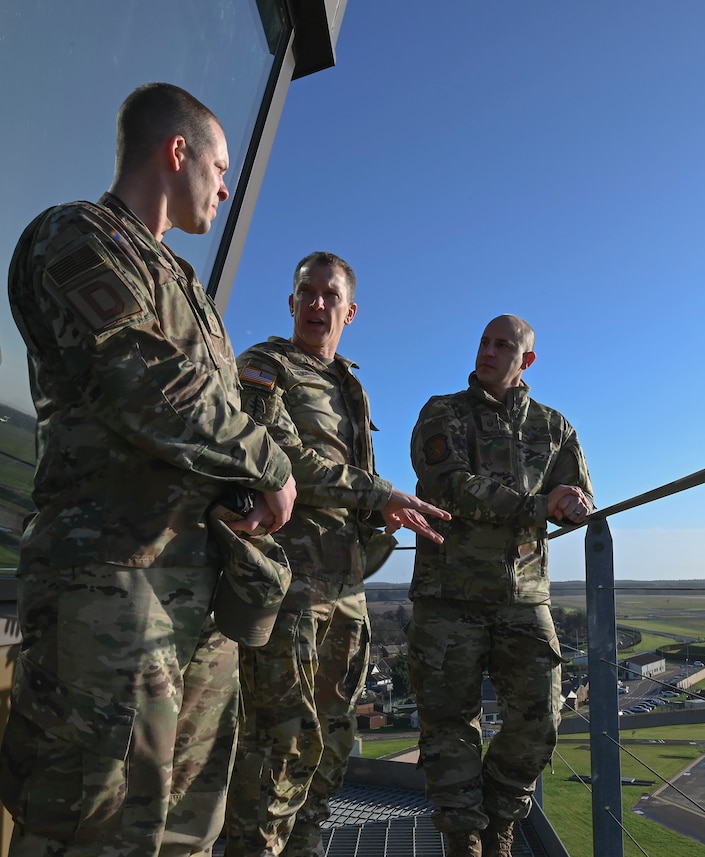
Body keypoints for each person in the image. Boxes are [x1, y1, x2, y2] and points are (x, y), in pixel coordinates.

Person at [0, 82, 297, 857]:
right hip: (110, 595)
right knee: (86, 829)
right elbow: (143, 381)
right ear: (177, 152)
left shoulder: (189, 289)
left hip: (194, 602)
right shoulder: (76, 236)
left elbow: (207, 418)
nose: (226, 187)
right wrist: (267, 462)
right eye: (221, 166)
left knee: (183, 832)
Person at [225, 251, 450, 857]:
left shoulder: (350, 384)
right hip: (288, 584)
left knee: (331, 737)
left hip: (345, 587)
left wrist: (378, 510)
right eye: (307, 293)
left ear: (351, 311)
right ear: (292, 302)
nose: (318, 304)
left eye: (330, 295)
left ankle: (302, 846)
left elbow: (354, 478)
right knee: (280, 738)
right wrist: (380, 495)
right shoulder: (264, 368)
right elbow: (282, 461)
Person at [408, 314, 594, 857]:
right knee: (449, 727)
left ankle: (499, 816)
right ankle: (464, 837)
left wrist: (574, 504)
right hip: (449, 596)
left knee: (541, 716)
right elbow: (451, 486)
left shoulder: (554, 427)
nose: (487, 352)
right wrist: (539, 506)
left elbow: (578, 496)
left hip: (523, 596)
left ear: (526, 360)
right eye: (484, 342)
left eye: (502, 345)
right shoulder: (442, 412)